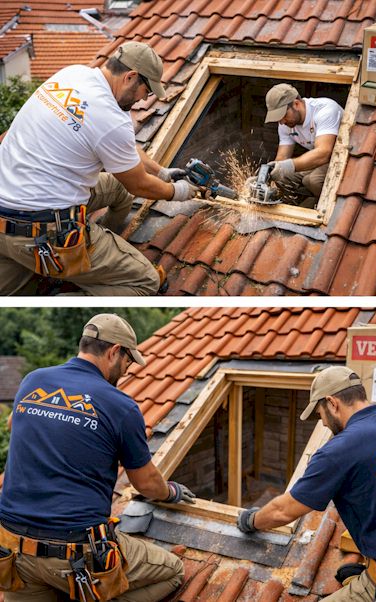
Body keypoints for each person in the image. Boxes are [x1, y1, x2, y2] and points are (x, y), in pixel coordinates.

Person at [0, 314, 196, 602]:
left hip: (11, 548)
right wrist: (172, 492)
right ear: (115, 351)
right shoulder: (120, 406)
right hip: (75, 554)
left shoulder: (34, 380)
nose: (126, 371)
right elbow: (146, 484)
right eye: (128, 362)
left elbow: (13, 426)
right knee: (173, 571)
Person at [0, 41, 199, 296]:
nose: (143, 100)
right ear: (131, 77)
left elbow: (120, 150)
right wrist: (178, 191)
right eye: (146, 92)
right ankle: (75, 277)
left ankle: (102, 248)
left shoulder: (72, 74)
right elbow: (138, 184)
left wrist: (160, 172)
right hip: (46, 230)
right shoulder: (112, 119)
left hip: (6, 210)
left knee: (118, 190)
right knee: (148, 283)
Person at [236, 366, 376, 602]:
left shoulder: (339, 450)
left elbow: (282, 511)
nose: (324, 423)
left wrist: (251, 520)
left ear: (332, 403)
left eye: (320, 414)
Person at [262, 83, 343, 207]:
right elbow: (281, 159)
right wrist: (265, 178)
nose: (282, 122)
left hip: (343, 158)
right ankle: (292, 207)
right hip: (321, 159)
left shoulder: (325, 110)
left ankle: (323, 208)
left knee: (312, 181)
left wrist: (287, 166)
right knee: (281, 178)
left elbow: (323, 153)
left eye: (283, 115)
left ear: (296, 104)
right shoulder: (285, 124)